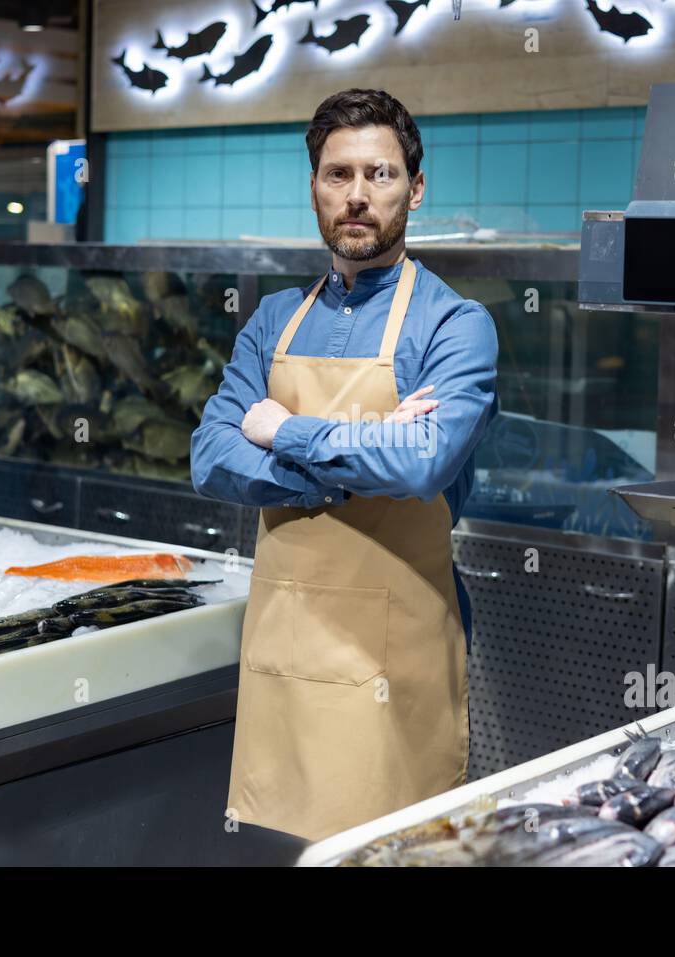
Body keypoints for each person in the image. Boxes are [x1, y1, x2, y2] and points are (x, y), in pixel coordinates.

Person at [191, 88, 499, 842]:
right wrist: (353, 459)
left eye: (381, 174)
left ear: (415, 189)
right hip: (286, 652)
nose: (358, 195)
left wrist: (284, 428)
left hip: (399, 659)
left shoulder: (457, 324)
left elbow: (422, 463)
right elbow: (210, 456)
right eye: (338, 175)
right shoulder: (273, 320)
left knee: (399, 853)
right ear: (315, 187)